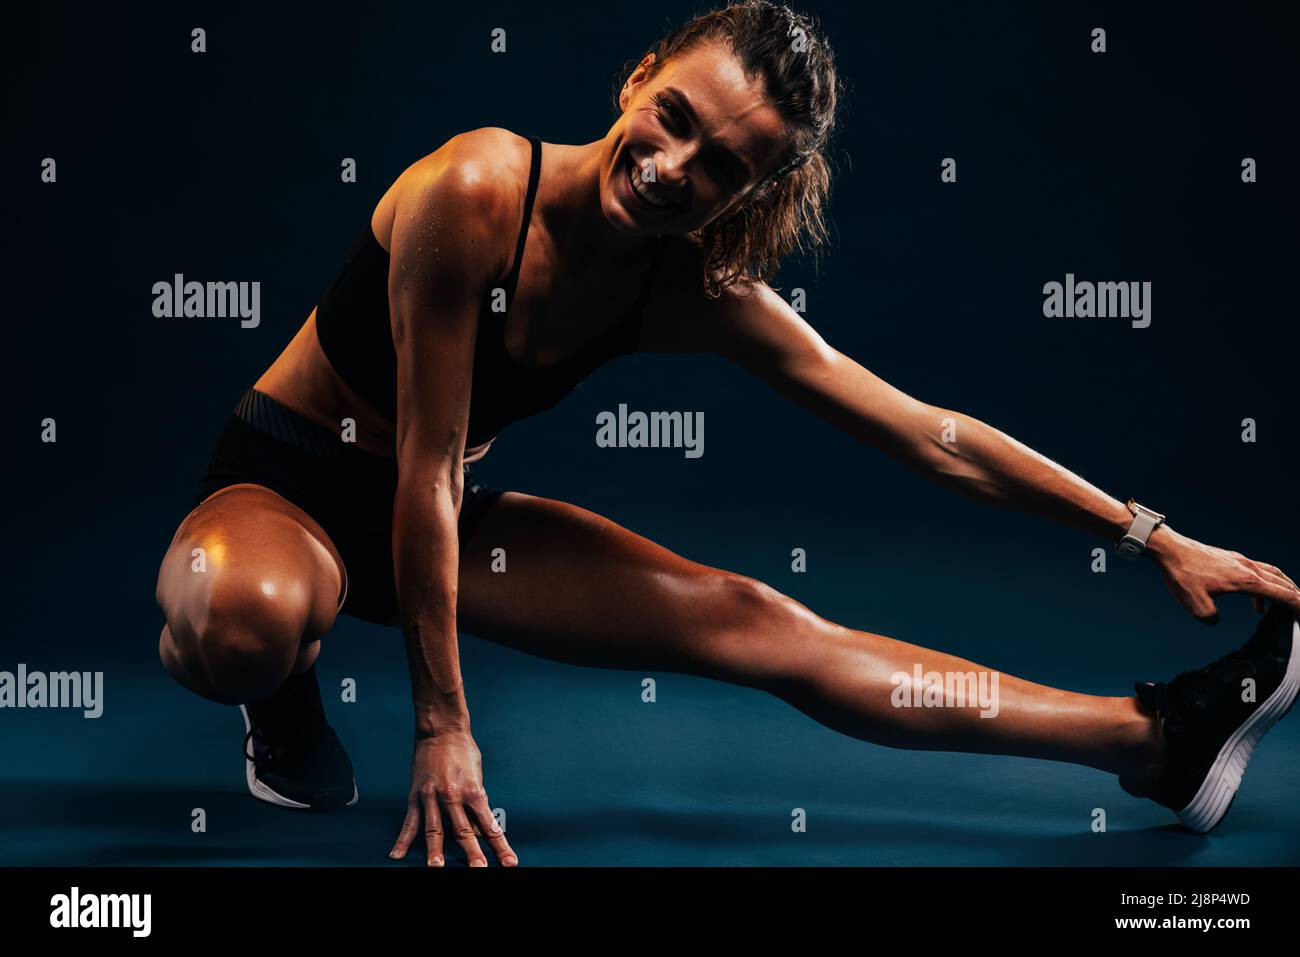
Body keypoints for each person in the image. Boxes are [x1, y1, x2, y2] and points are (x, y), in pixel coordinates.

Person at [154, 1, 1300, 867]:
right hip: (290, 487)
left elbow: (930, 433)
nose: (669, 169)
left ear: (749, 194)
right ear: (637, 76)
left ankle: (1155, 740)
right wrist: (442, 727)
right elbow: (418, 463)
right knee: (242, 623)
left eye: (720, 169)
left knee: (762, 623)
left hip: (441, 514)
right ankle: (279, 700)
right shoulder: (474, 189)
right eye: (672, 118)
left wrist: (1147, 532)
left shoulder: (694, 291)